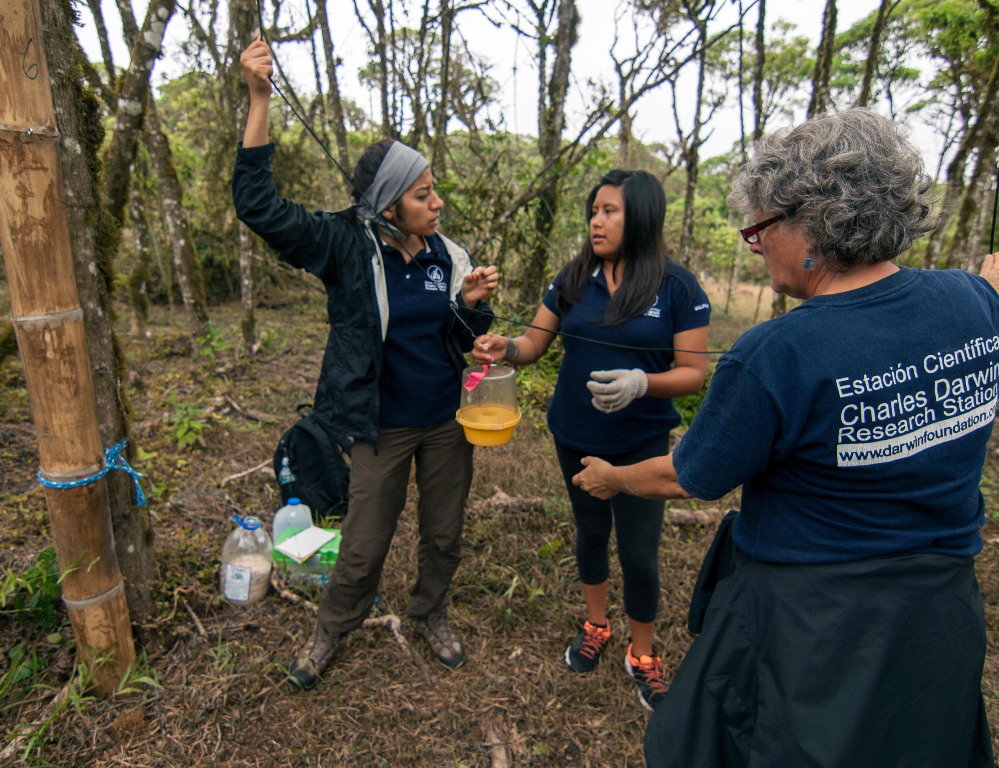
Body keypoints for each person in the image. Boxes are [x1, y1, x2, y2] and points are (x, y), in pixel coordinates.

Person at [572, 108, 996, 767]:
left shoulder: (778, 352)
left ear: (813, 225)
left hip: (816, 624)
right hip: (936, 616)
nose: (755, 242)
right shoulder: (972, 302)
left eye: (760, 227)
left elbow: (690, 474)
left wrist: (615, 477)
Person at [233, 37, 498, 689]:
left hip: (445, 422)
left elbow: (462, 338)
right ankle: (331, 629)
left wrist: (470, 310)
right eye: (423, 196)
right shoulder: (344, 246)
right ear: (387, 207)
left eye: (436, 192)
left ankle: (431, 611)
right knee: (363, 541)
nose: (437, 205)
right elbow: (259, 207)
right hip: (381, 423)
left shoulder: (445, 255)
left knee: (443, 532)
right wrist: (260, 97)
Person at [472, 169, 710, 710]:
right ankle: (596, 624)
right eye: (594, 210)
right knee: (589, 532)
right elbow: (533, 343)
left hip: (641, 443)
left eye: (610, 211)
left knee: (641, 553)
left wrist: (642, 383)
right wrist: (502, 347)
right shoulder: (575, 276)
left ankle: (643, 653)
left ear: (642, 216)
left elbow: (693, 373)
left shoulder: (677, 287)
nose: (595, 220)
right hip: (575, 434)